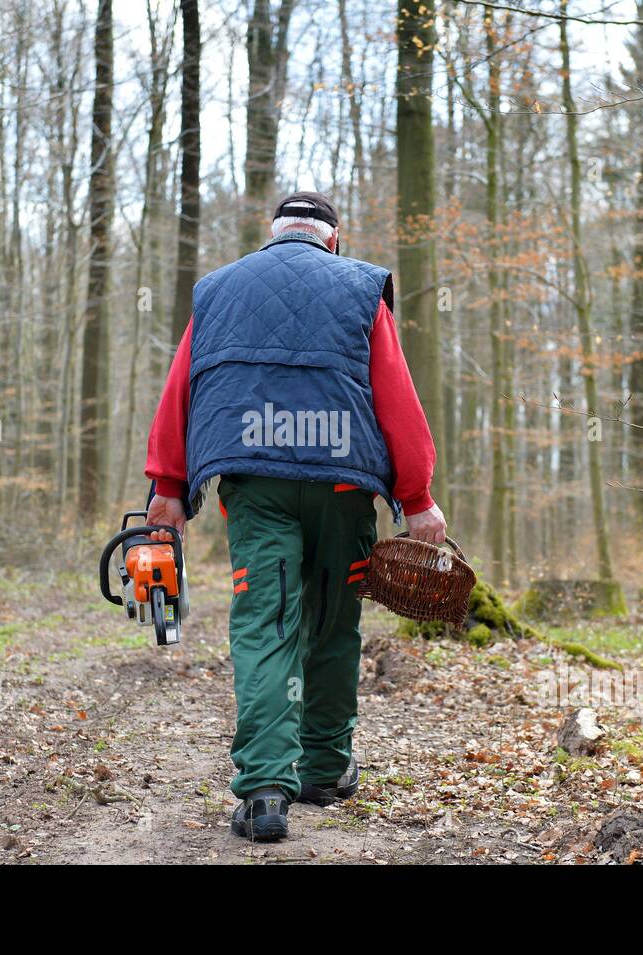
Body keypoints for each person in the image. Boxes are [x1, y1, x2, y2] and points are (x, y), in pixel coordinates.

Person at [144, 191, 445, 841]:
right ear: (334, 238)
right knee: (333, 624)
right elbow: (395, 394)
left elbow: (182, 388)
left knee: (267, 622)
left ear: (274, 233)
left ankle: (264, 791)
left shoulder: (218, 290)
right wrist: (416, 497)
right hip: (342, 484)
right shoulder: (362, 288)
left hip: (256, 484)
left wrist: (169, 487)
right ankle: (326, 769)